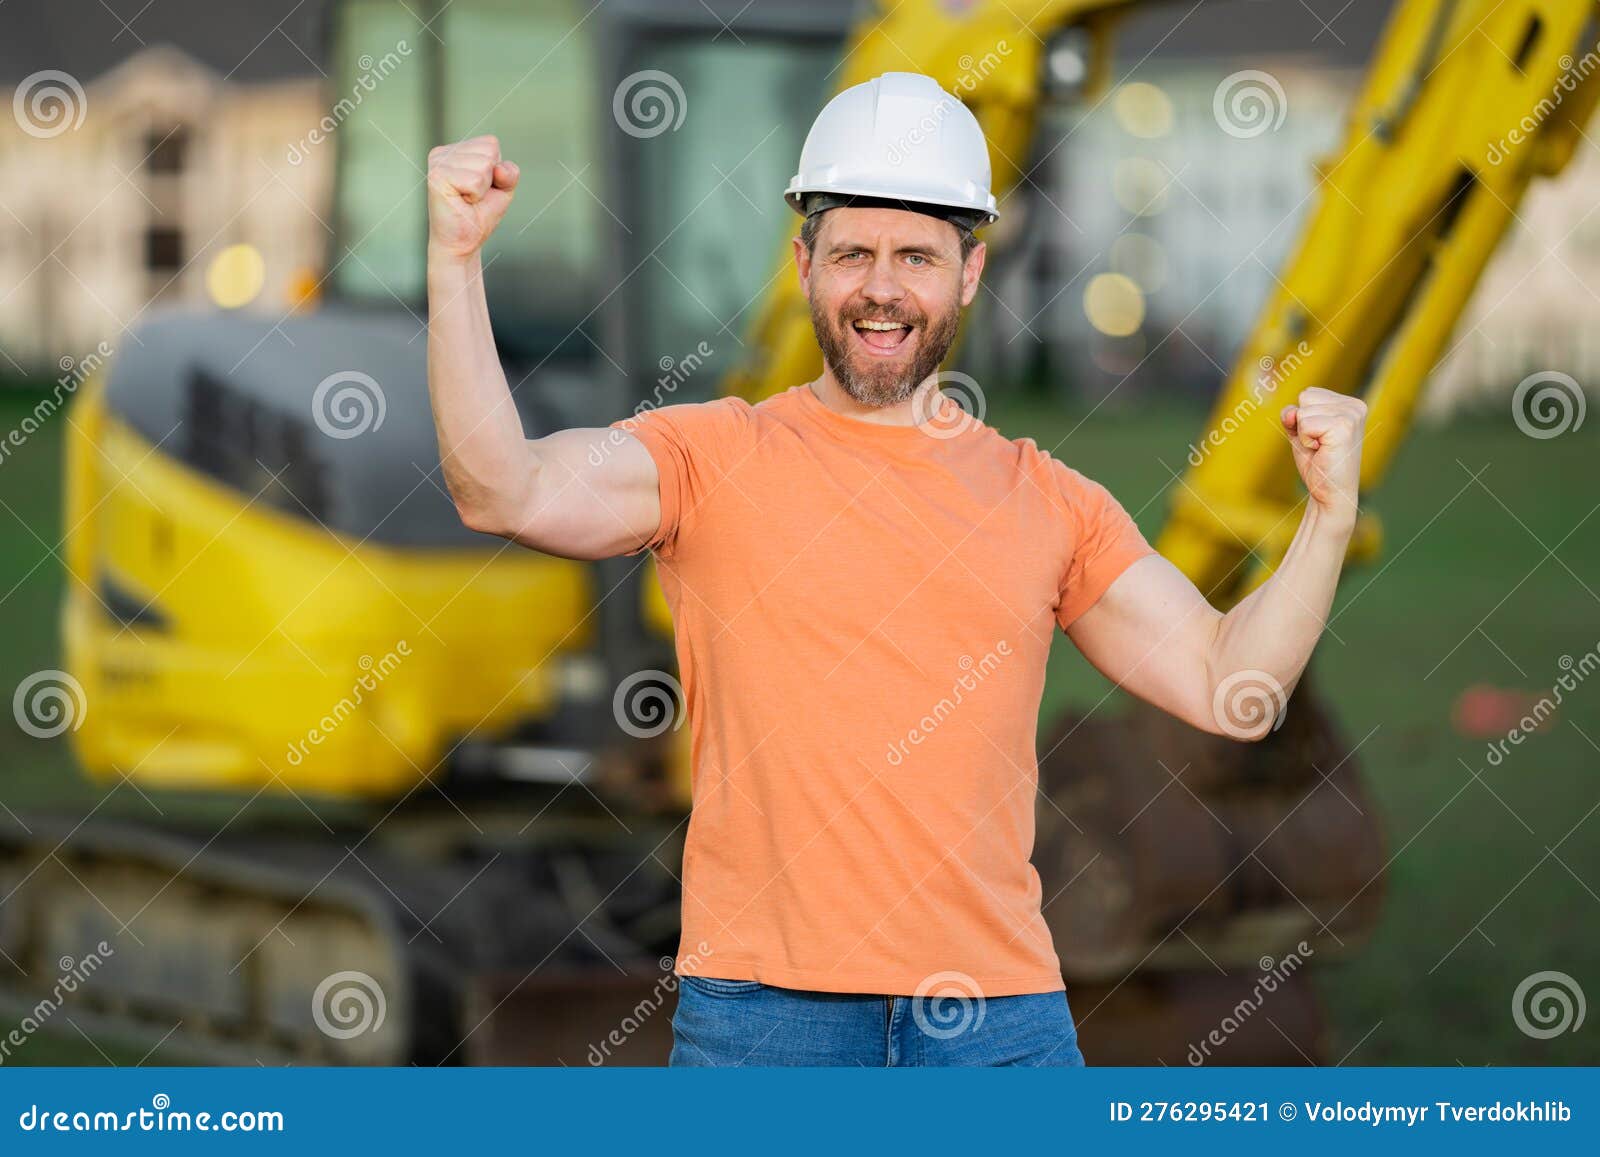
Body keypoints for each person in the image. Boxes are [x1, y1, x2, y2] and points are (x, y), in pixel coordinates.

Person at [424, 72, 1366, 1066]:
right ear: (804, 265)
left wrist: (1327, 518)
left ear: (969, 271)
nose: (882, 288)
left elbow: (1229, 686)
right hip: (765, 1021)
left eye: (916, 255)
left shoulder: (1049, 500)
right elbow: (504, 490)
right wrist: (455, 261)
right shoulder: (706, 455)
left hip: (996, 1023)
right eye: (853, 254)